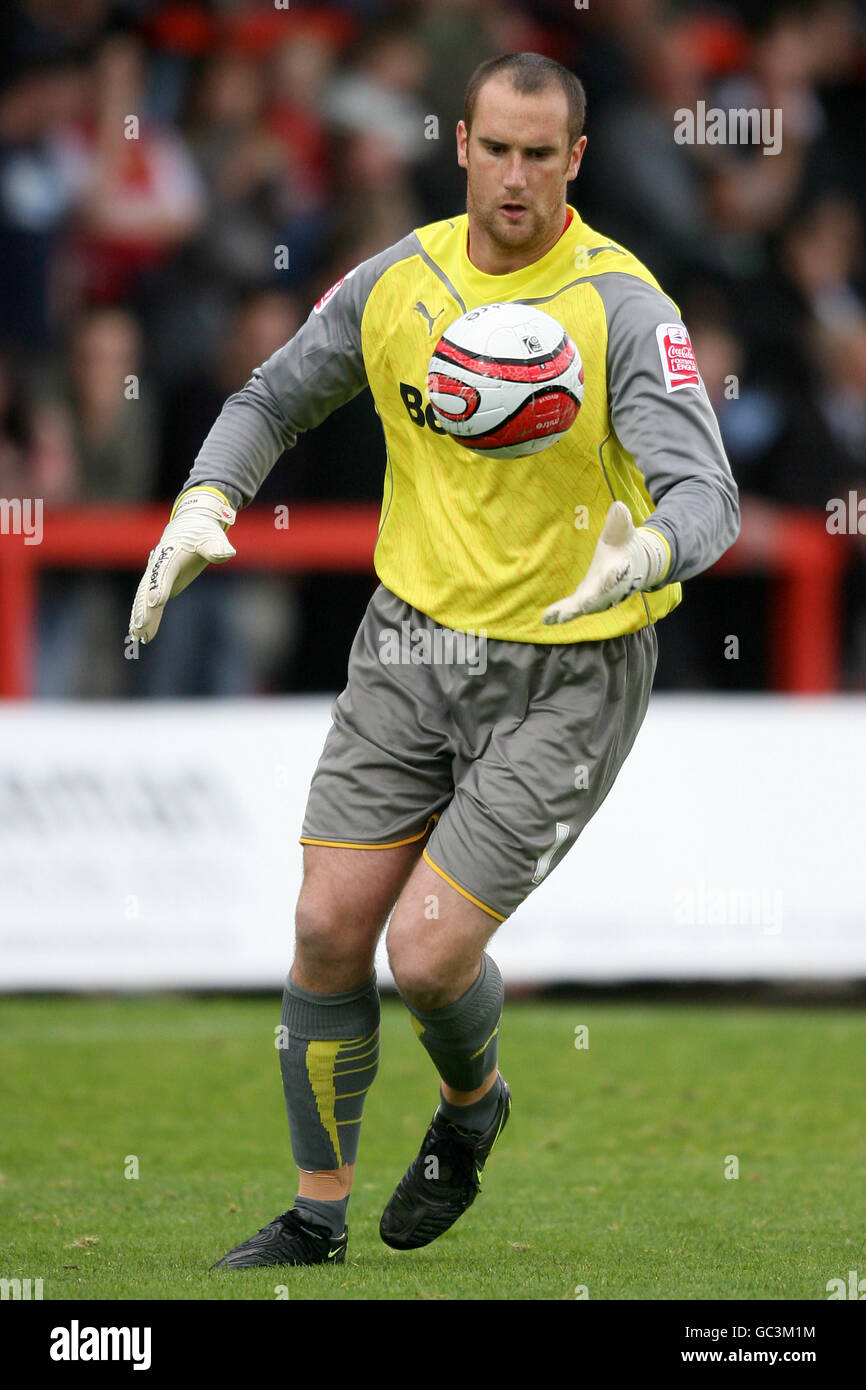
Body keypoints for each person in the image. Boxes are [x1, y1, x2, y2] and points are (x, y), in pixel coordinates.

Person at [129, 52, 740, 1268]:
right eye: (494, 149)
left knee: (424, 951)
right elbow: (268, 397)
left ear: (575, 162)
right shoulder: (394, 283)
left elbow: (708, 494)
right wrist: (206, 497)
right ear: (459, 143)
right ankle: (314, 1217)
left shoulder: (624, 308)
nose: (512, 178)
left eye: (539, 155)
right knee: (322, 928)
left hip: (569, 663)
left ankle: (471, 1109)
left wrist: (650, 549)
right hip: (407, 647)